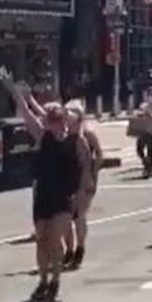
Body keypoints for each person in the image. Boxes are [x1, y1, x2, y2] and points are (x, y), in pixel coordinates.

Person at [0, 67, 79, 302]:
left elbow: (80, 169)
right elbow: (25, 112)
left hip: (63, 198)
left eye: (53, 118)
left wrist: (81, 194)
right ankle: (43, 280)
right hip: (43, 195)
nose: (49, 121)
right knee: (41, 240)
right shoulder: (42, 136)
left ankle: (55, 280)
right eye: (48, 118)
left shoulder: (72, 141)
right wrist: (14, 91)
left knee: (54, 239)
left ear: (62, 120)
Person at [63, 100, 102, 270]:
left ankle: (80, 248)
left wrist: (93, 175)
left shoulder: (88, 133)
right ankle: (69, 249)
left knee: (79, 216)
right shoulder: (63, 133)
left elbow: (99, 154)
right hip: (67, 180)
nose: (68, 115)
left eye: (72, 112)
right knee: (65, 217)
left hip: (85, 181)